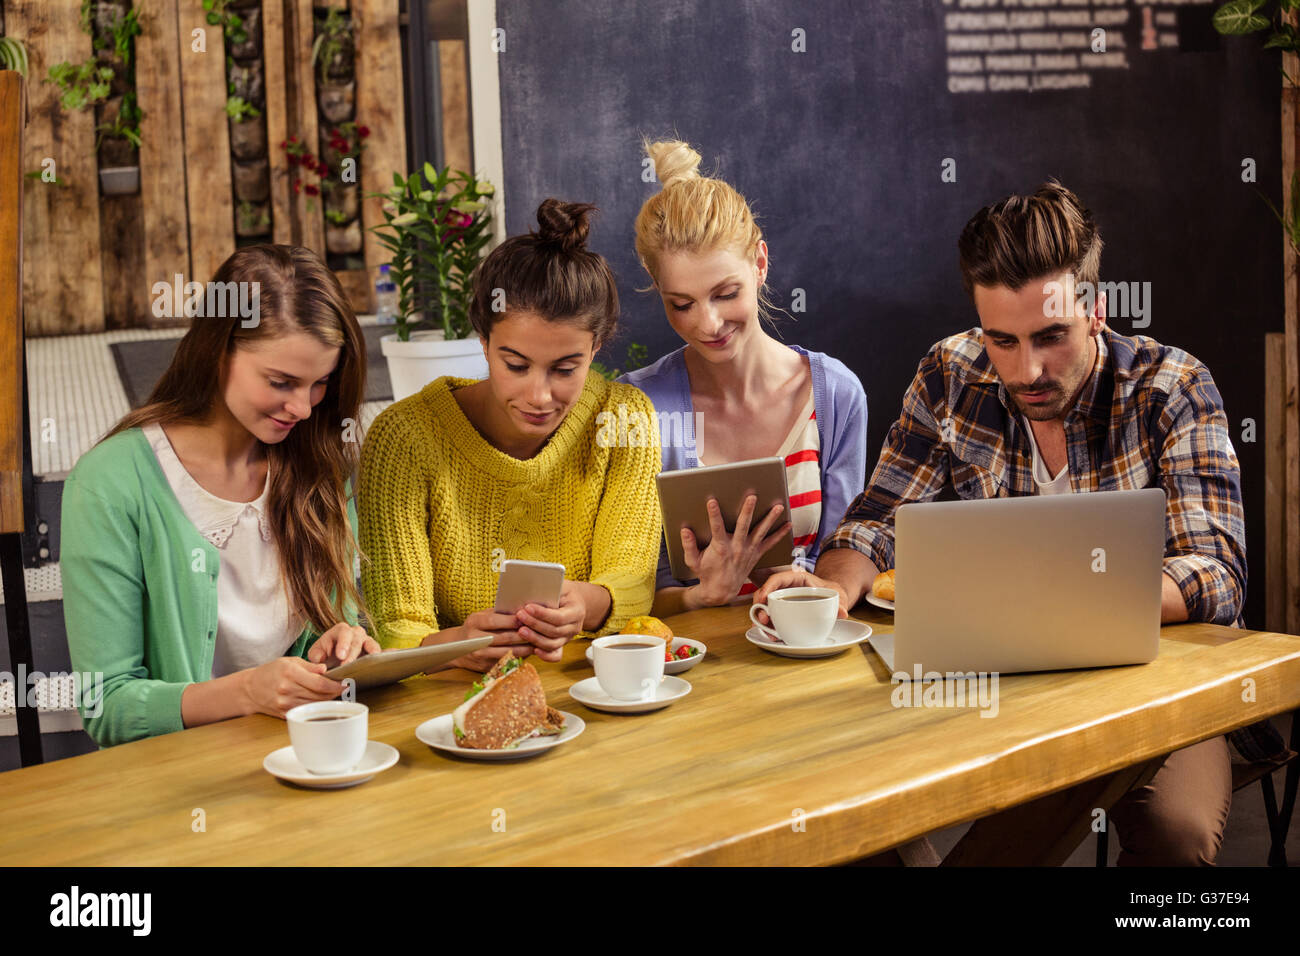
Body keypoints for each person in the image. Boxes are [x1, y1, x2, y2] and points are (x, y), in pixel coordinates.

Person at [757, 181, 1278, 865]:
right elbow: (880, 518)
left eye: (1050, 337)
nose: (1026, 370)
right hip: (1000, 683)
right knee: (848, 782)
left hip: (1157, 679)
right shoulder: (950, 374)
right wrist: (830, 589)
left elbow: (1215, 577)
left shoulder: (1171, 388)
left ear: (1095, 312)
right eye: (1002, 339)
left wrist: (1041, 603)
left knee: (1176, 835)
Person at [63, 245, 378, 748]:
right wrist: (248, 692)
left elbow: (336, 632)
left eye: (320, 384)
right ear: (218, 350)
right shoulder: (111, 482)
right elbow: (108, 706)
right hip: (182, 788)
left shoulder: (319, 467)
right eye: (281, 382)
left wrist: (344, 645)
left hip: (307, 760)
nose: (301, 407)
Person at [358, 199, 662, 673]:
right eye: (515, 365)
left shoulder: (623, 421)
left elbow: (632, 585)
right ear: (483, 340)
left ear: (595, 346)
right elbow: (396, 634)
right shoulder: (405, 439)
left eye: (565, 368)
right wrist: (459, 643)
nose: (539, 395)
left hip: (590, 689)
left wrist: (585, 603)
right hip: (443, 709)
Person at [620, 140, 867, 617]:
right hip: (694, 664)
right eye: (681, 303)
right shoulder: (639, 405)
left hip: (804, 646)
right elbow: (624, 592)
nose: (708, 324)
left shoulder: (835, 394)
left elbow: (847, 548)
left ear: (760, 263)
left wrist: (813, 581)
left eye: (725, 293)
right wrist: (700, 594)